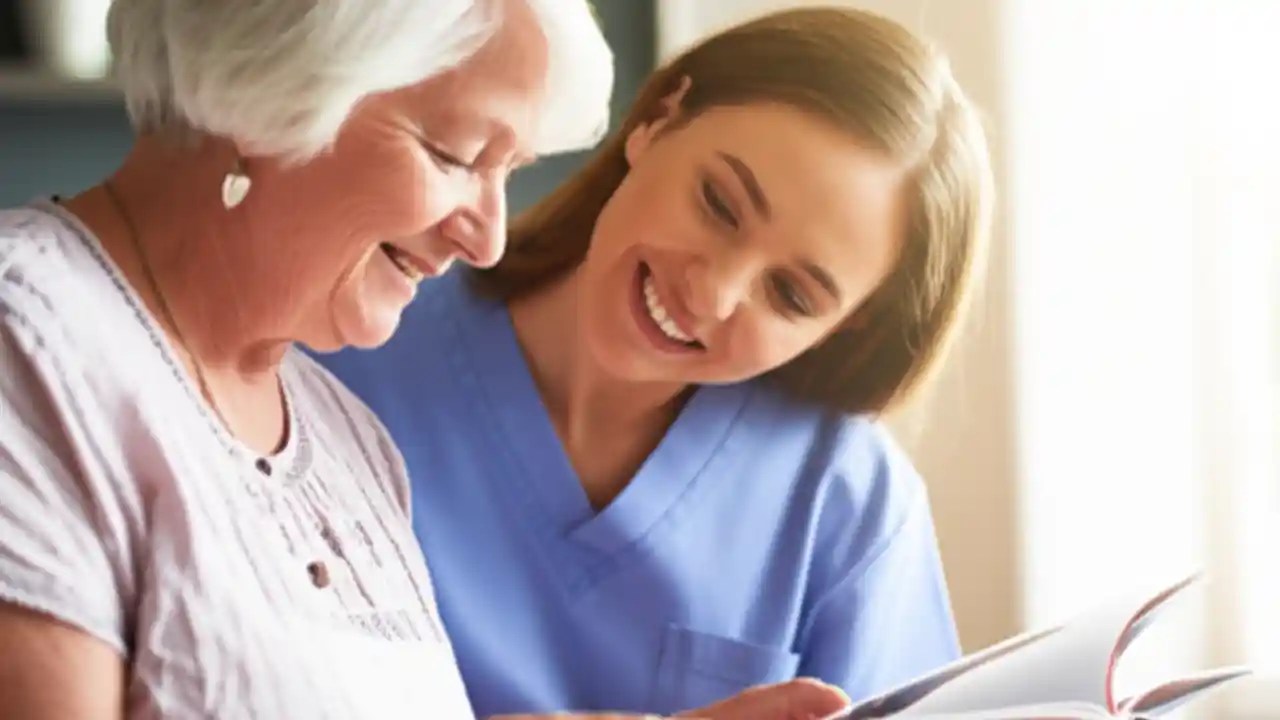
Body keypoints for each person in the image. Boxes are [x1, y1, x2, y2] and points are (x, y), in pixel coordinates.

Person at [0, 0, 847, 718]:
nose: (487, 238)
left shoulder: (345, 443)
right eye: (455, 157)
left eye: (509, 174)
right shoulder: (32, 347)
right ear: (263, 91)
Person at [319, 5, 995, 718]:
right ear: (661, 119)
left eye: (791, 294)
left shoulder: (845, 507)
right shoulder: (346, 335)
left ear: (840, 330)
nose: (712, 292)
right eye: (719, 204)